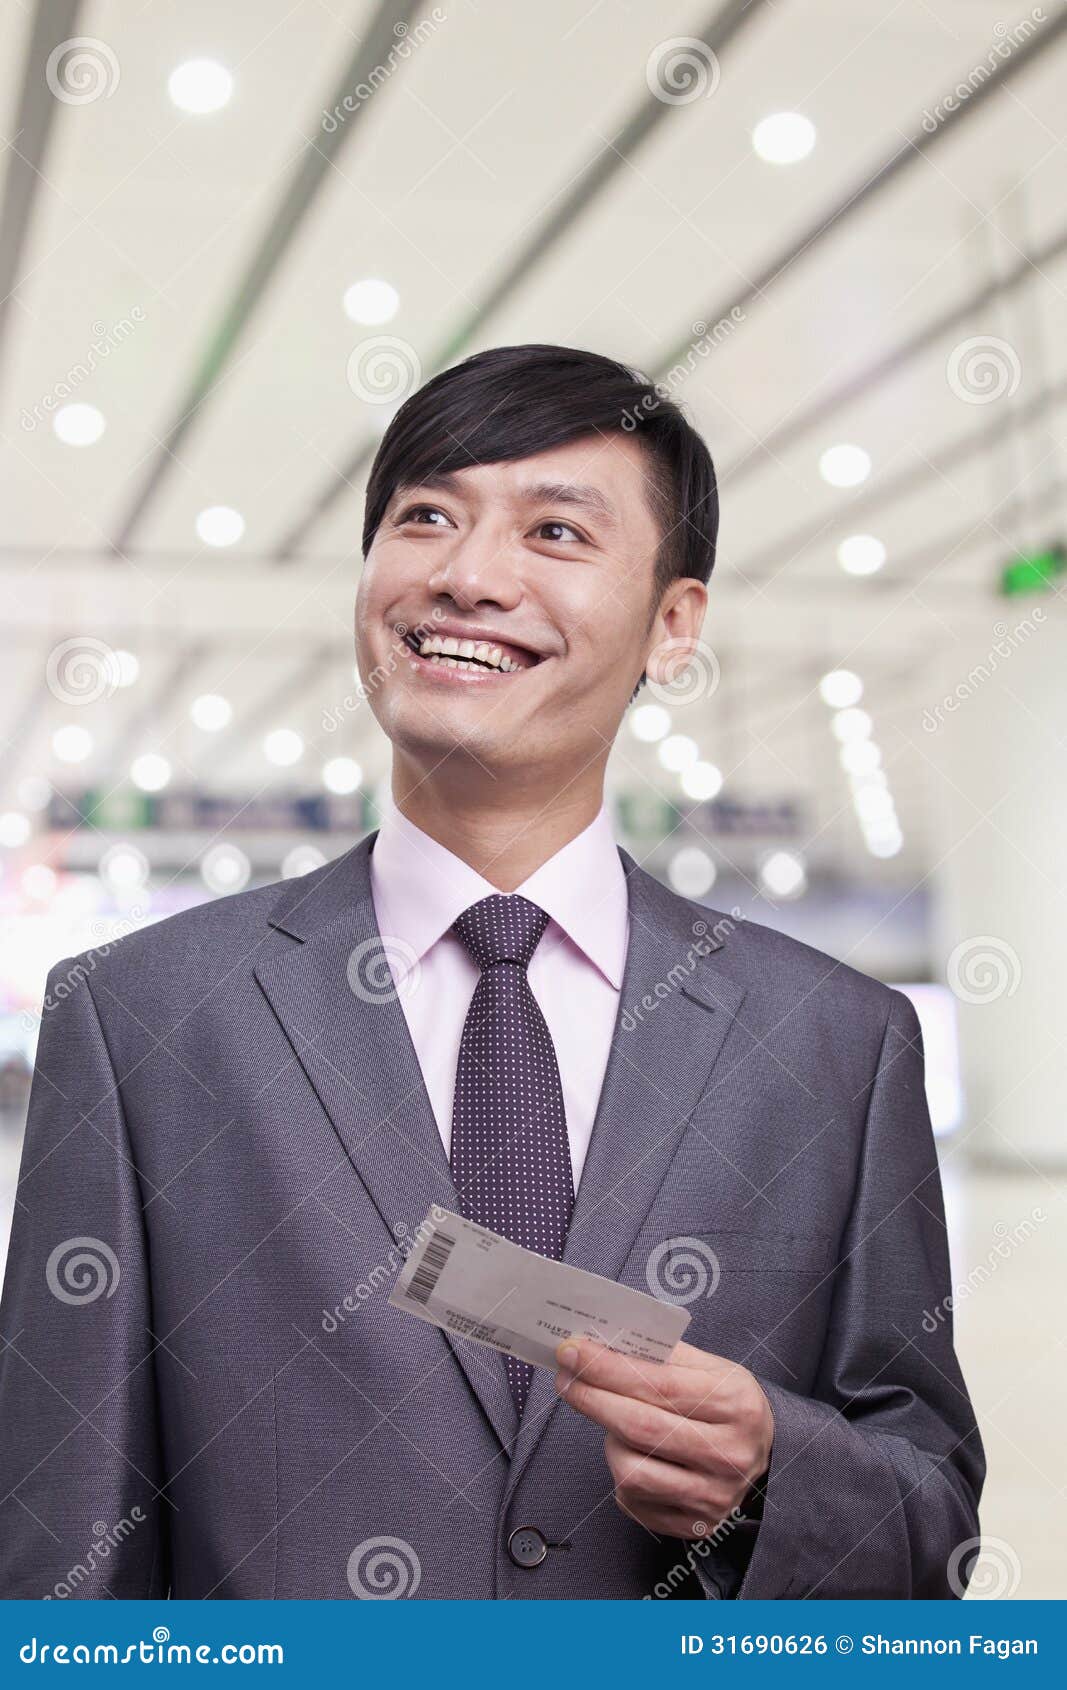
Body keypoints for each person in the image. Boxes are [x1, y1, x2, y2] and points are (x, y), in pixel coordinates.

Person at [0, 344, 983, 1600]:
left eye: (556, 532)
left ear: (672, 625)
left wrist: (770, 1465)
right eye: (424, 517)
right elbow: (58, 1548)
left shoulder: (833, 1044)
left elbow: (933, 1519)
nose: (467, 575)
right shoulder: (143, 1019)